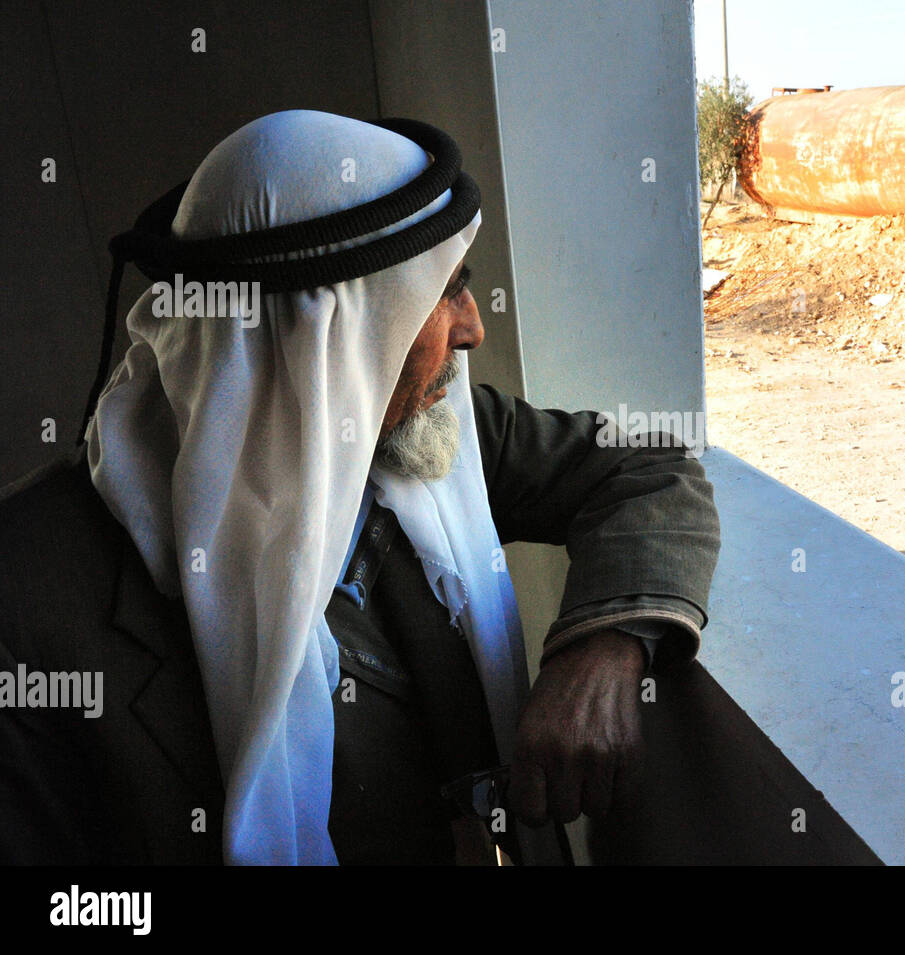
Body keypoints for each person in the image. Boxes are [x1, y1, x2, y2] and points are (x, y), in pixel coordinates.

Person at [0, 111, 720, 865]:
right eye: (440, 296)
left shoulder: (424, 430)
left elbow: (647, 466)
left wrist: (602, 647)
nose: (472, 328)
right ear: (322, 341)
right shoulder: (29, 603)